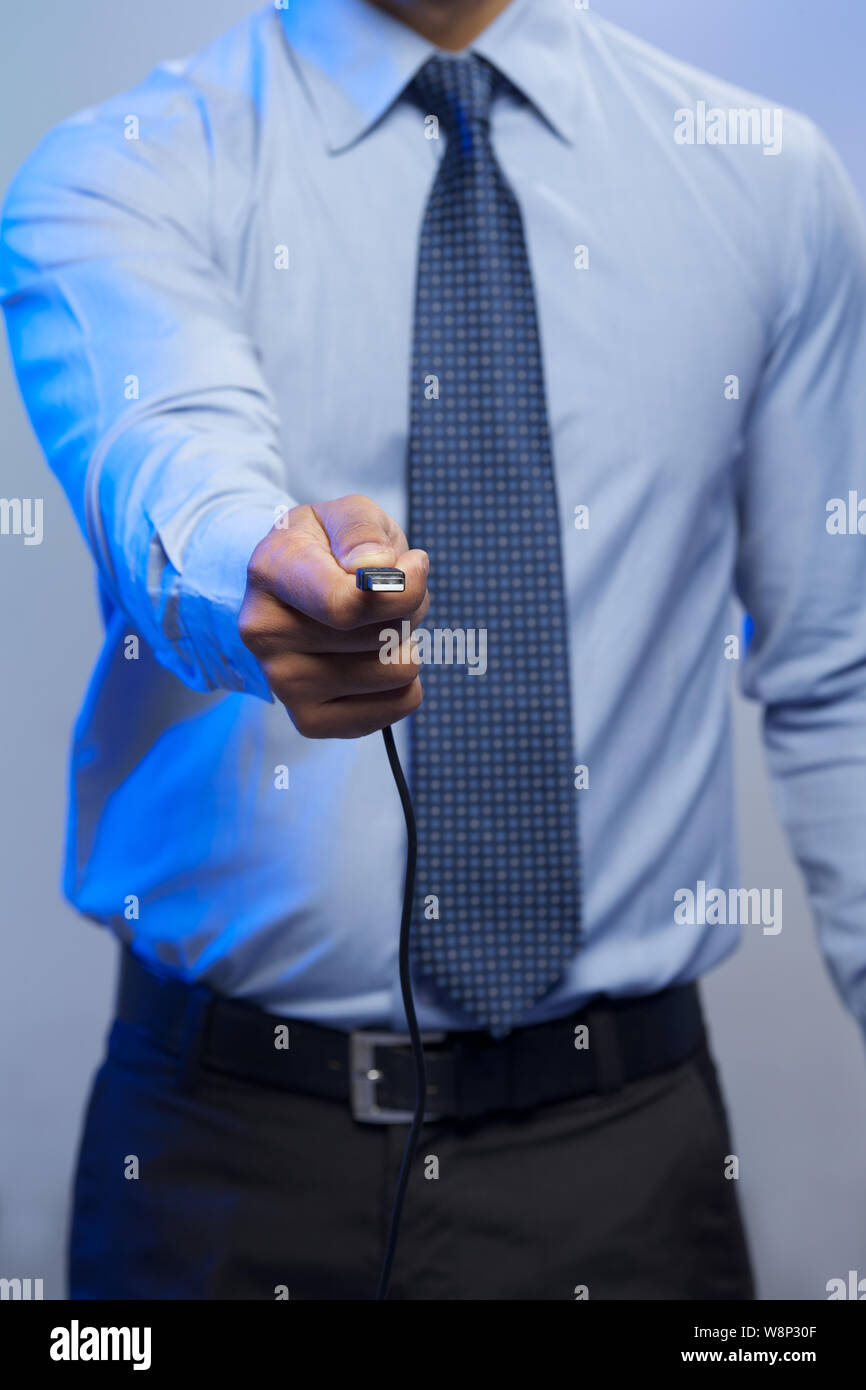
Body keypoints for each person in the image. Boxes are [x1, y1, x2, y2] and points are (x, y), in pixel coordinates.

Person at [2, 0, 865, 1302]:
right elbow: (165, 454)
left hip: (628, 1159)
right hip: (222, 1162)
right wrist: (259, 571)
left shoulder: (767, 177)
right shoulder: (124, 167)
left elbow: (839, 672)